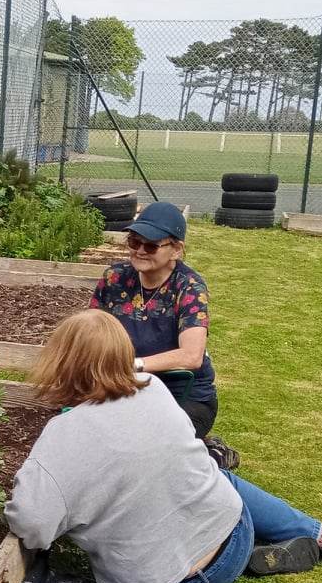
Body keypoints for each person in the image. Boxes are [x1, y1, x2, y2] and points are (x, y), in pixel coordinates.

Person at [4, 311, 322, 583]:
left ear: (60, 363)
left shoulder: (63, 437)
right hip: (231, 536)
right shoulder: (152, 389)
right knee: (213, 474)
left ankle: (257, 554)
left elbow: (34, 527)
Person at [88, 200, 238, 469]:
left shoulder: (189, 287)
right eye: (134, 242)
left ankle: (210, 456)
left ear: (176, 250)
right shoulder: (114, 279)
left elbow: (191, 356)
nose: (139, 251)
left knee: (148, 449)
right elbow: (91, 331)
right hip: (125, 388)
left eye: (151, 245)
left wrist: (133, 365)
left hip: (184, 396)